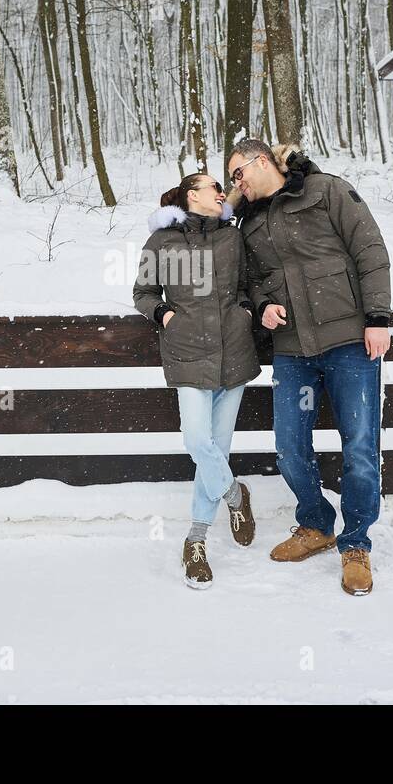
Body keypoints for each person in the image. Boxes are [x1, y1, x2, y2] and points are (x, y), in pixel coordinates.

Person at [227, 139, 392, 596]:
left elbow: (370, 251)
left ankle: (355, 543)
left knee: (359, 445)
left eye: (238, 173)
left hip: (349, 342)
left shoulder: (325, 191)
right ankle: (316, 523)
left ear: (261, 161)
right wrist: (262, 306)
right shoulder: (249, 223)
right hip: (292, 349)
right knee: (288, 447)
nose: (236, 185)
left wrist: (377, 319)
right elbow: (251, 283)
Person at [133, 173, 261, 589]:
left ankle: (196, 542)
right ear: (192, 196)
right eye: (213, 187)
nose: (222, 192)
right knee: (196, 442)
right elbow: (143, 293)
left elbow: (246, 286)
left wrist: (243, 311)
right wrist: (165, 316)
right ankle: (235, 496)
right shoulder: (162, 242)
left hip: (234, 355)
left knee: (217, 449)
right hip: (188, 355)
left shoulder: (232, 238)